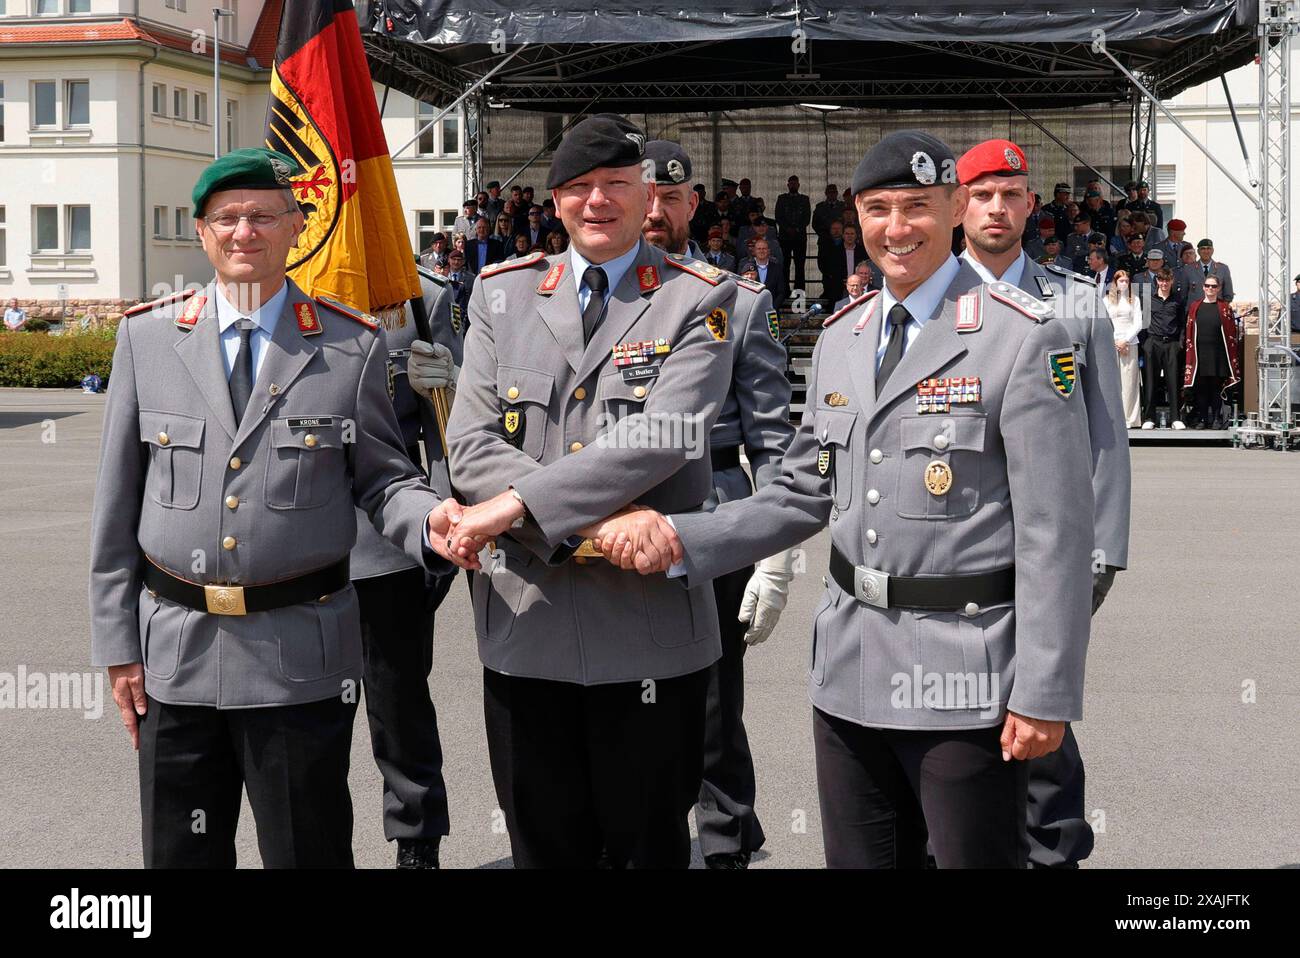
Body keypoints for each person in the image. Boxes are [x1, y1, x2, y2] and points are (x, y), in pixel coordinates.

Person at [580, 130, 1095, 869]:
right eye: (879, 209)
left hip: (966, 679)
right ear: (854, 220)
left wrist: (1044, 690)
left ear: (954, 209)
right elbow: (801, 490)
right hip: (851, 672)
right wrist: (678, 534)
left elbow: (1057, 533)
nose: (897, 227)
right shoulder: (842, 339)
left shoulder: (1022, 339)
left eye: (918, 206)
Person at [88, 148, 473, 869]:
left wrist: (432, 520)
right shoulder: (144, 339)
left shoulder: (349, 344)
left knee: (308, 852)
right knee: (180, 856)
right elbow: (115, 511)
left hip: (298, 657)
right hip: (176, 658)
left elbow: (384, 481)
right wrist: (118, 647)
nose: (244, 232)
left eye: (263, 216)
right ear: (201, 233)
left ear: (297, 226)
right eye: (226, 218)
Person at [427, 114, 742, 869]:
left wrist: (514, 507)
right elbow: (469, 444)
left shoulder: (700, 297)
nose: (596, 201)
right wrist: (591, 524)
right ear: (556, 201)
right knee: (544, 848)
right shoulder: (500, 296)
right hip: (526, 629)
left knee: (648, 849)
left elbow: (664, 435)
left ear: (649, 197)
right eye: (578, 188)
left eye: (615, 186)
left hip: (648, 634)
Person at [957, 138, 1131, 868]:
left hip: (1053, 550)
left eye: (1012, 193)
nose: (999, 207)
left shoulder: (1076, 301)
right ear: (959, 206)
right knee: (960, 716)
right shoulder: (928, 298)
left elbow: (1105, 436)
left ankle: (1054, 847)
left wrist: (1102, 552)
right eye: (984, 194)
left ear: (1032, 204)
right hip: (958, 552)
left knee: (1041, 696)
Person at [638, 139, 795, 869]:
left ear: (692, 204)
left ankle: (727, 834)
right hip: (604, 531)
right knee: (618, 700)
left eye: (669, 197)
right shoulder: (589, 299)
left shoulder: (738, 298)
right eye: (640, 194)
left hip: (710, 525)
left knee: (710, 697)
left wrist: (778, 555)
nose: (654, 210)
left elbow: (771, 439)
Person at [351, 261, 463, 869]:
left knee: (397, 707)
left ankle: (416, 838)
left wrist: (443, 532)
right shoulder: (272, 287)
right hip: (287, 551)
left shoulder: (417, 296)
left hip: (386, 547)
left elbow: (449, 431)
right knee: (294, 722)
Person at [1183, 275, 1241, 429]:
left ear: (1219, 288)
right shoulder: (1195, 306)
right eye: (1208, 286)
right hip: (1200, 353)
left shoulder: (1224, 307)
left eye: (1214, 286)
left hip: (1218, 354)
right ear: (1203, 287)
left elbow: (1231, 333)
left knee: (1215, 387)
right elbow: (1189, 330)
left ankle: (1216, 418)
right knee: (1201, 387)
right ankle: (1202, 418)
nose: (1210, 289)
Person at [1141, 268, 1186, 430]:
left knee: (1173, 381)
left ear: (1172, 281)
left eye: (1167, 281)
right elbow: (1143, 323)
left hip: (1172, 344)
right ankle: (1149, 417)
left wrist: (1180, 343)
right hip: (1153, 343)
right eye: (1161, 280)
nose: (1164, 284)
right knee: (1150, 381)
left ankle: (1175, 418)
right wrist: (1145, 345)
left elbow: (1182, 323)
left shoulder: (1178, 299)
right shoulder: (1148, 299)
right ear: (1157, 281)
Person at [1104, 270, 1145, 428]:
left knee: (1129, 382)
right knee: (1112, 382)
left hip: (1129, 344)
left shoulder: (1133, 299)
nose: (1124, 283)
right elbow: (1105, 322)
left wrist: (1125, 341)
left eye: (1126, 281)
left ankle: (1130, 419)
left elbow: (1138, 323)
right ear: (1115, 282)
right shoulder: (1106, 300)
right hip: (1111, 343)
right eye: (1121, 281)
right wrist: (1115, 341)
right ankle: (1113, 418)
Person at [776, 174, 811, 291]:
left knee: (800, 266)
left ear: (798, 185)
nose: (793, 185)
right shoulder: (782, 198)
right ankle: (784, 291)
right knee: (784, 265)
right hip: (784, 237)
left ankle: (799, 292)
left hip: (800, 237)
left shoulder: (804, 199)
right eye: (791, 183)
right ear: (788, 185)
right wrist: (787, 229)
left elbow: (807, 218)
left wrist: (796, 229)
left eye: (795, 183)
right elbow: (778, 216)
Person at [1187, 239, 1234, 303]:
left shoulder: (1223, 269)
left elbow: (1228, 294)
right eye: (1203, 249)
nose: (1206, 251)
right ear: (1198, 251)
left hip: (1215, 309)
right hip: (1195, 310)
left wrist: (1222, 308)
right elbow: (1183, 295)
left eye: (1208, 248)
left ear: (1212, 251)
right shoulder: (1188, 269)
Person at [749, 239, 787, 305]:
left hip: (772, 310)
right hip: (752, 310)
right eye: (759, 249)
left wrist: (772, 308)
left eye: (764, 248)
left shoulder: (777, 268)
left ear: (768, 251)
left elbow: (782, 292)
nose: (761, 251)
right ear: (754, 251)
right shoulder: (747, 268)